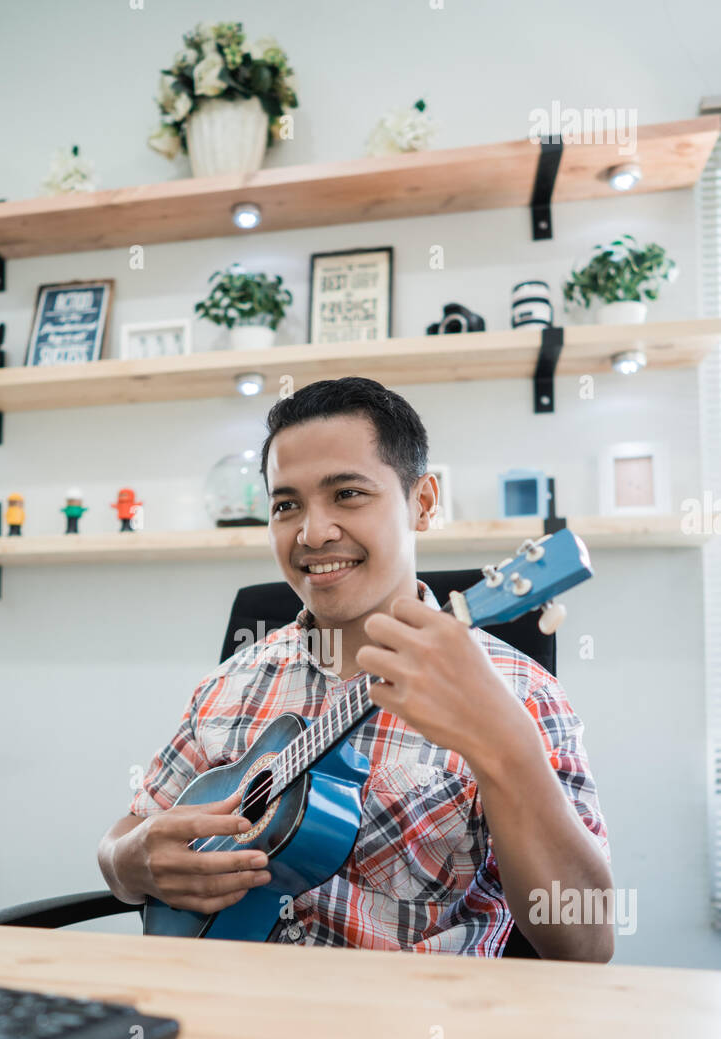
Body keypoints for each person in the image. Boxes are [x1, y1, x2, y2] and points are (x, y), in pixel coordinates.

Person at [98, 377, 614, 959]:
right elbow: (126, 836)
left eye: (347, 494)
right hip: (215, 1010)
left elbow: (586, 943)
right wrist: (131, 862)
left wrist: (505, 747)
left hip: (417, 1035)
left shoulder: (521, 693)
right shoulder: (230, 683)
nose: (313, 532)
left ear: (422, 503)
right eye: (286, 504)